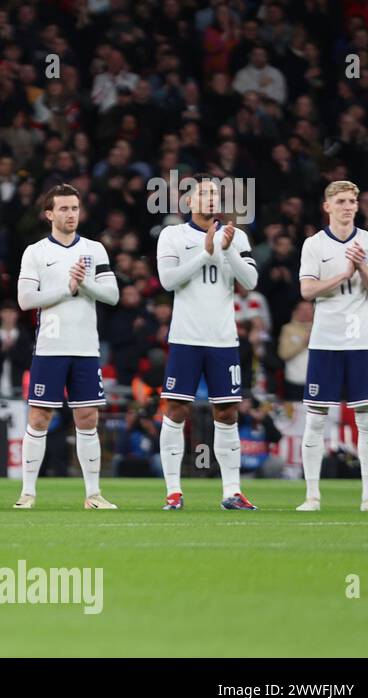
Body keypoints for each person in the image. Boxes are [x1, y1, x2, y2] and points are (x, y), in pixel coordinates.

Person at [156, 176, 260, 510]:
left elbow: (251, 280)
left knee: (228, 412)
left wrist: (227, 251)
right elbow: (168, 280)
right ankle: (174, 491)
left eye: (215, 193)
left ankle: (232, 491)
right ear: (188, 202)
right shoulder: (173, 235)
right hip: (186, 337)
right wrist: (207, 251)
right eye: (203, 193)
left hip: (223, 338)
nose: (210, 198)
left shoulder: (237, 236)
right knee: (176, 409)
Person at [15, 184, 119, 509]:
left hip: (86, 347)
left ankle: (93, 495)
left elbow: (112, 295)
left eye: (74, 208)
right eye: (63, 209)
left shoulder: (95, 249)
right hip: (50, 347)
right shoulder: (36, 252)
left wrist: (85, 284)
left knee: (87, 418)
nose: (70, 214)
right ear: (49, 214)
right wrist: (66, 289)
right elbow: (25, 300)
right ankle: (28, 493)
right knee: (40, 418)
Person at [297, 181, 368, 512]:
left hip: (361, 341)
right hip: (325, 341)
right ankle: (311, 496)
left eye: (352, 201)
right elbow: (307, 291)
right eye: (341, 201)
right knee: (316, 418)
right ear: (327, 206)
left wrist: (362, 266)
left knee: (366, 419)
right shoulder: (314, 244)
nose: (348, 206)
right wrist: (344, 273)